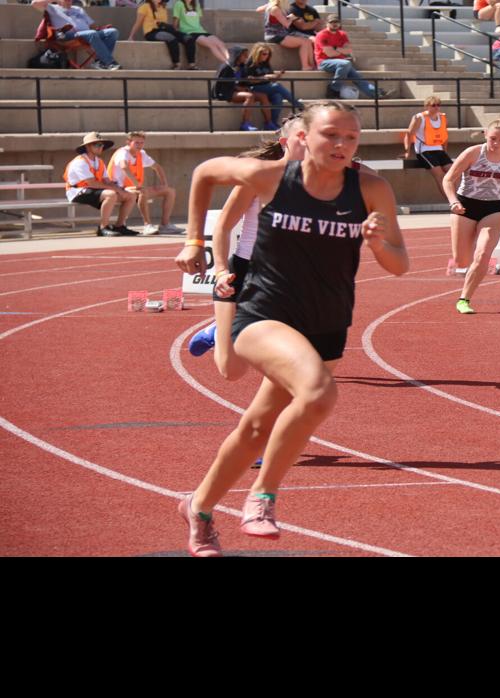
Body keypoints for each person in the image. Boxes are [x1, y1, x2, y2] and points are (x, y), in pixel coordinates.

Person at [172, 102, 409, 557]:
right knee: (318, 393)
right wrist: (192, 241)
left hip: (327, 322)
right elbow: (203, 172)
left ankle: (198, 508)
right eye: (331, 136)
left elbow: (401, 265)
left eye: (351, 138)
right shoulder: (271, 178)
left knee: (258, 427)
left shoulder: (372, 189)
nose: (341, 146)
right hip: (265, 313)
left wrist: (378, 244)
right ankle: (262, 497)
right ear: (305, 136)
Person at [189, 118, 305, 381]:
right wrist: (219, 271)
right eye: (303, 136)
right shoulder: (255, 178)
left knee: (287, 356)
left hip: (286, 277)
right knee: (230, 371)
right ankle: (219, 331)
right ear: (286, 143)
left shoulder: (323, 183)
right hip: (243, 270)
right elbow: (222, 227)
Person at [441, 120, 500, 314]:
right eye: (493, 138)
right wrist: (453, 201)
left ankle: (464, 299)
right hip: (465, 205)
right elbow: (448, 179)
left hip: (493, 208)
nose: (496, 143)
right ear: (485, 134)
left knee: (483, 252)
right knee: (462, 260)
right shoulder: (473, 153)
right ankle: (472, 265)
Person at [65, 132, 139, 236]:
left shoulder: (99, 161)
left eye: (102, 145)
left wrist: (121, 190)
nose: (100, 147)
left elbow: (107, 181)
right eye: (97, 145)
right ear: (87, 147)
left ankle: (120, 226)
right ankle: (103, 228)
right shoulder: (80, 162)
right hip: (77, 191)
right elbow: (92, 183)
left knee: (131, 195)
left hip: (94, 190)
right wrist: (116, 190)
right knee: (110, 194)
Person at [107, 131, 181, 236]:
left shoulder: (142, 154)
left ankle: (165, 225)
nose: (140, 145)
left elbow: (157, 167)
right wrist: (137, 184)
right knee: (143, 191)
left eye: (142, 143)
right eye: (136, 142)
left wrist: (164, 183)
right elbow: (124, 167)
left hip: (133, 188)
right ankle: (147, 225)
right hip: (118, 188)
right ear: (128, 142)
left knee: (170, 191)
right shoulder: (122, 153)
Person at [34, 0, 122, 70]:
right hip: (67, 35)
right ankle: (109, 62)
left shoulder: (78, 9)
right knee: (91, 33)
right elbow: (34, 3)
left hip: (87, 33)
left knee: (113, 32)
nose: (69, 1)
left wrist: (100, 30)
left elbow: (92, 25)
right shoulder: (52, 8)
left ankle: (101, 62)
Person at [403, 94, 453, 205]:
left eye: (438, 105)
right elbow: (409, 134)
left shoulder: (443, 117)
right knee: (440, 176)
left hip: (439, 150)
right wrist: (407, 151)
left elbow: (444, 136)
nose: (436, 107)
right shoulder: (419, 118)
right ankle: (452, 202)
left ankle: (459, 199)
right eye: (433, 105)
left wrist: (445, 151)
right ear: (427, 106)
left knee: (453, 173)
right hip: (424, 151)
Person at [314, 14, 377, 99]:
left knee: (358, 79)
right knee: (345, 63)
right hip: (324, 62)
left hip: (341, 62)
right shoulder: (322, 35)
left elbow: (349, 50)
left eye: (336, 22)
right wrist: (341, 51)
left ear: (339, 23)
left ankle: (377, 94)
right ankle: (333, 89)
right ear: (327, 23)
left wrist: (335, 48)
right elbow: (329, 54)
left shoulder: (342, 34)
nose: (334, 24)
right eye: (332, 22)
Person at [214, 47, 276, 131]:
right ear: (237, 56)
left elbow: (244, 81)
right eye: (244, 56)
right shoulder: (226, 67)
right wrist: (238, 88)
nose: (246, 58)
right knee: (249, 96)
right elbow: (222, 84)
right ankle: (245, 124)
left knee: (263, 96)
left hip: (238, 91)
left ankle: (268, 123)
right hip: (225, 92)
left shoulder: (242, 67)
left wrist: (249, 83)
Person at [126, 0, 196, 70]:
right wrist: (131, 36)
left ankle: (191, 64)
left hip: (164, 29)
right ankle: (176, 64)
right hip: (151, 32)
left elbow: (164, 23)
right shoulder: (144, 7)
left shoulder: (162, 7)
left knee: (189, 38)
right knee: (171, 38)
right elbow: (138, 23)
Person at [244, 42, 302, 125]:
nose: (266, 56)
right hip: (254, 88)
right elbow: (249, 80)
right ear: (257, 53)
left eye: (268, 54)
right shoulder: (250, 64)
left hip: (267, 87)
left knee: (278, 97)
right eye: (264, 54)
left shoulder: (266, 63)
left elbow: (272, 79)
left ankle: (271, 123)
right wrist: (265, 77)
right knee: (277, 86)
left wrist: (277, 76)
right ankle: (299, 106)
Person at [168, 0, 233, 69]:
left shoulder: (196, 4)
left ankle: (231, 61)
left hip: (201, 30)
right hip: (190, 32)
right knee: (211, 44)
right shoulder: (179, 4)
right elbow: (175, 22)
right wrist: (177, 33)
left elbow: (197, 20)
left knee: (221, 43)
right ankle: (228, 64)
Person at [259, 0, 317, 70]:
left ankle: (312, 65)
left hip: (280, 34)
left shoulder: (272, 7)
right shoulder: (275, 9)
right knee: (304, 42)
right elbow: (286, 24)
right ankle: (305, 66)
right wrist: (291, 18)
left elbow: (259, 10)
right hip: (275, 35)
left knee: (308, 41)